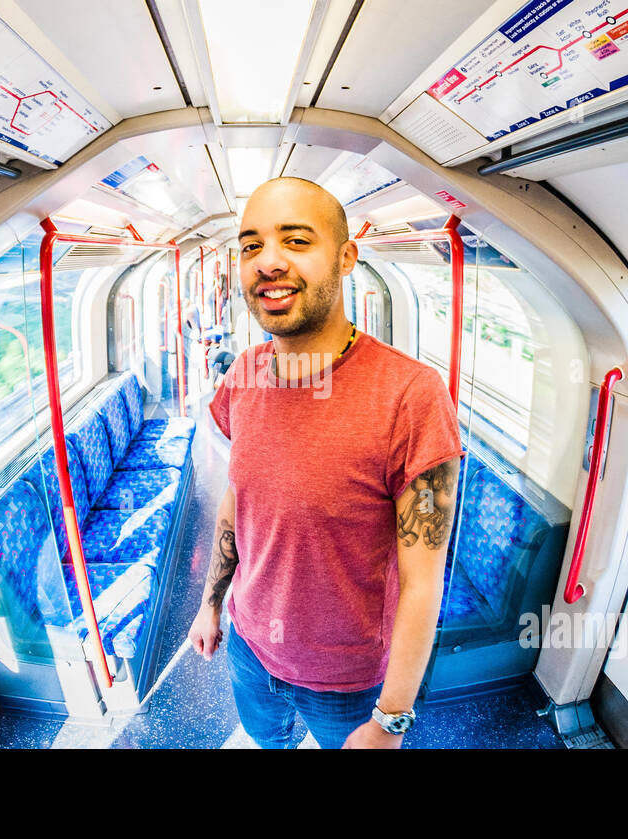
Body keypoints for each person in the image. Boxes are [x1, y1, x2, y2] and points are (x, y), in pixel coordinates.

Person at [187, 177, 463, 749]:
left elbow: (422, 582)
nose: (268, 262)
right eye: (251, 245)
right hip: (249, 649)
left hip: (347, 682)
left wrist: (391, 721)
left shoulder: (412, 395)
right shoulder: (243, 374)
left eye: (295, 240)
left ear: (345, 258)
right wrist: (210, 605)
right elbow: (238, 506)